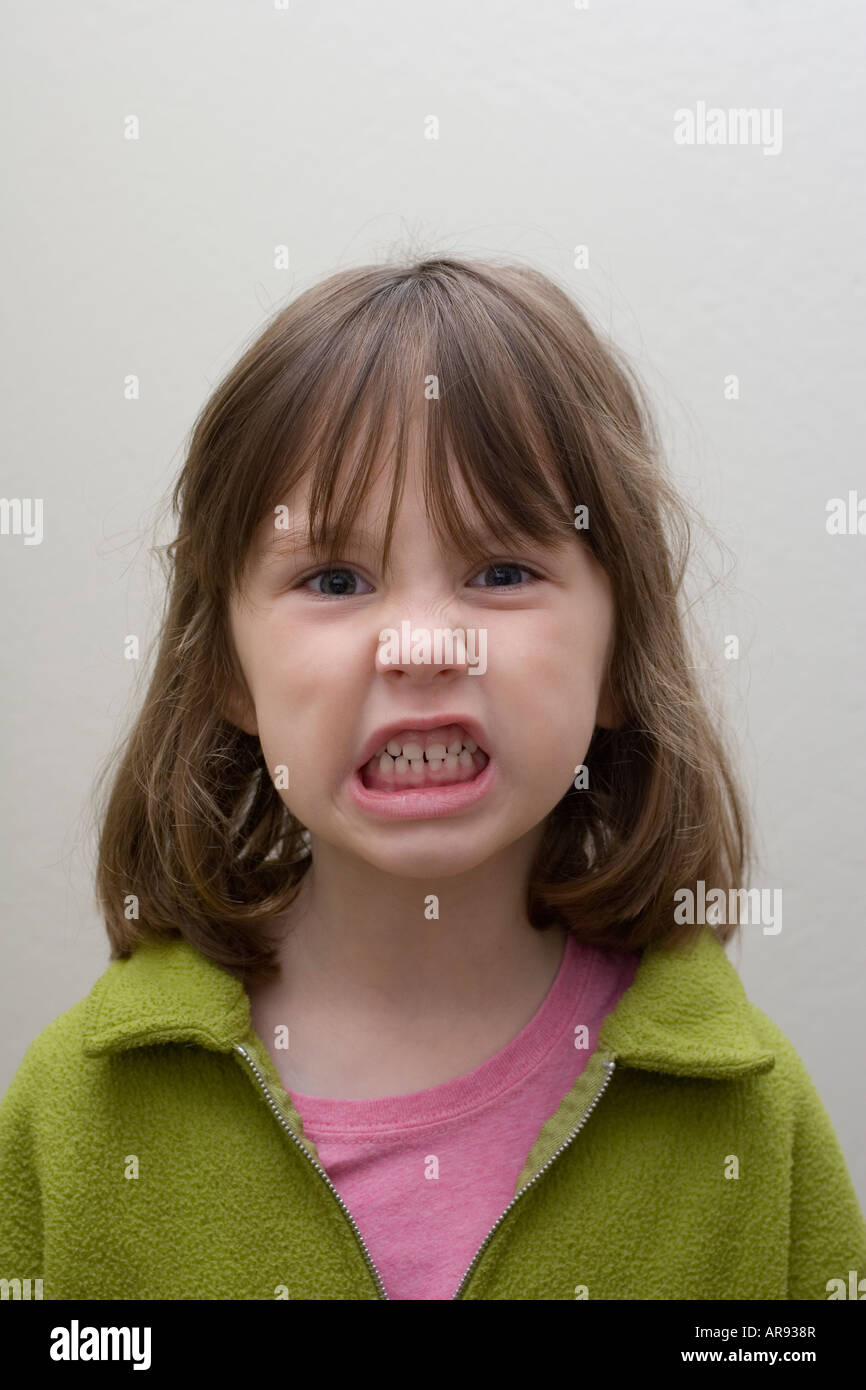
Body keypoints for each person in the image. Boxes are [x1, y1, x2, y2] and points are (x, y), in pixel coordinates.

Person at [1, 257, 863, 1300]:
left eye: (500, 571)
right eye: (333, 579)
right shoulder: (79, 1111)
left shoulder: (744, 1115)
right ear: (226, 669)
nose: (417, 644)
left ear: (618, 656)